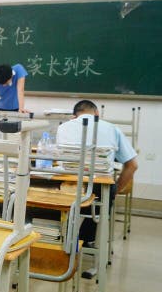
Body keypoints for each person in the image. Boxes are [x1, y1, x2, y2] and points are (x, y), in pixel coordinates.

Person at [56, 99, 139, 244]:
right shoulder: (112, 128)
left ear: (74, 116)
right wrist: (116, 190)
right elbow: (132, 165)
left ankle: (62, 237)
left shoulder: (63, 127)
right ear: (97, 113)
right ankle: (86, 239)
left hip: (67, 187)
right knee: (103, 194)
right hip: (98, 190)